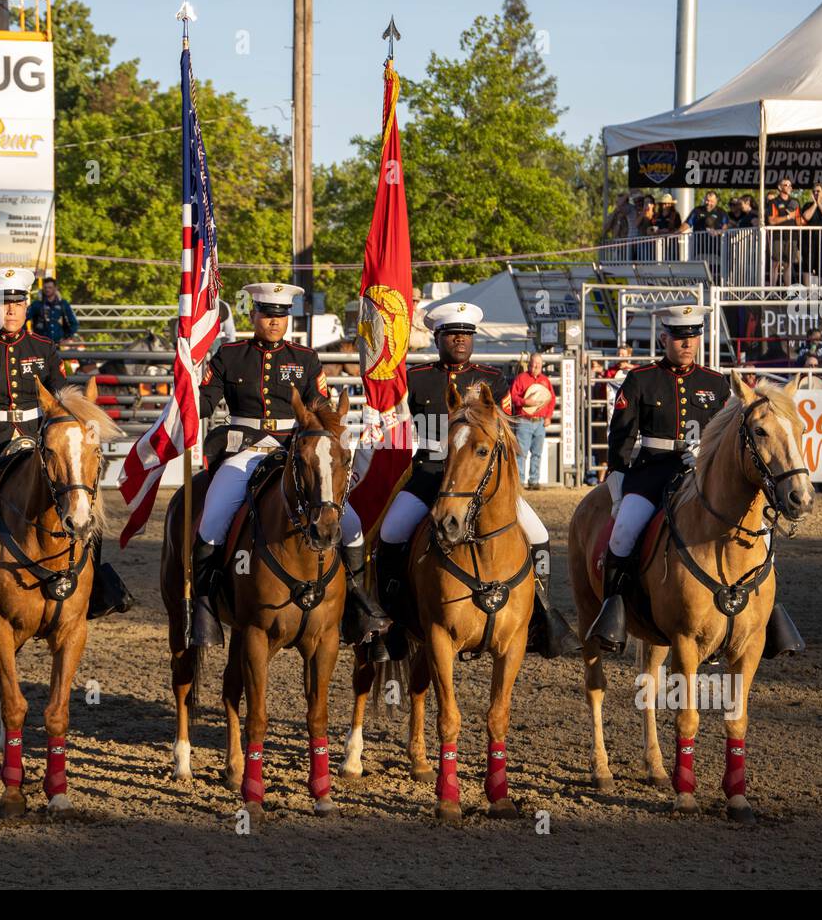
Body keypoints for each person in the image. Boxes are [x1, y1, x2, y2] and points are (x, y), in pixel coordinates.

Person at [0, 267, 132, 620]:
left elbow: (62, 401)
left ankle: (96, 586)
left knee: (84, 508)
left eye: (17, 303)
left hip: (35, 449)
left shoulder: (43, 348)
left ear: (26, 306)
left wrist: (81, 425)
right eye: (3, 303)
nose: (11, 310)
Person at [585, 307, 804, 658]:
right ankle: (614, 612)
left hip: (701, 475)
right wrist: (619, 478)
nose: (686, 343)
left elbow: (731, 433)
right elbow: (620, 439)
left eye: (692, 336)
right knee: (623, 533)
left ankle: (770, 614)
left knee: (760, 534)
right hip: (651, 474)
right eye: (678, 336)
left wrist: (703, 454)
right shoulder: (641, 379)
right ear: (664, 339)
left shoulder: (716, 383)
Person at [189, 282, 388, 651]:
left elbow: (322, 410)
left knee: (354, 527)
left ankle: (358, 605)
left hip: (296, 453)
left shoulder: (306, 358)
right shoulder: (229, 356)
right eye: (266, 314)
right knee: (213, 521)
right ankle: (203, 606)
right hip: (244, 452)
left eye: (281, 315)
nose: (274, 322)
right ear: (253, 316)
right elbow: (203, 403)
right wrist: (185, 388)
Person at [375, 301, 570, 661]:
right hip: (431, 473)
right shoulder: (416, 379)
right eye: (452, 335)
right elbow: (393, 423)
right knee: (391, 534)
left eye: (466, 335)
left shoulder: (493, 381)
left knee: (539, 535)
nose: (460, 341)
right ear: (437, 339)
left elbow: (505, 437)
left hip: (484, 481)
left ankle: (542, 617)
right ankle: (396, 622)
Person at [510, 351, 555, 490]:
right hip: (524, 419)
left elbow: (551, 399)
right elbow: (512, 396)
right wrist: (525, 401)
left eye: (538, 364)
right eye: (534, 363)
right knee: (521, 453)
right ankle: (520, 481)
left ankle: (533, 480)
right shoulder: (521, 378)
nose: (536, 366)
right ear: (529, 364)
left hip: (540, 421)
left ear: (542, 365)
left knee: (537, 453)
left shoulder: (545, 381)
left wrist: (548, 416)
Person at [764, 179, 800, 286]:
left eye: (790, 185)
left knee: (788, 264)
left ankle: (788, 291)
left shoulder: (795, 202)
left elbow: (799, 220)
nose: (789, 187)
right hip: (777, 236)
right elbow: (771, 220)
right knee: (775, 264)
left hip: (792, 236)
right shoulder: (773, 202)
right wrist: (788, 216)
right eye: (786, 185)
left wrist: (799, 220)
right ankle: (772, 291)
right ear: (780, 187)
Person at [28, 277, 79, 345]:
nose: (47, 290)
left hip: (57, 344)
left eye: (50, 287)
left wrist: (67, 337)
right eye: (45, 287)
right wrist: (26, 335)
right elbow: (23, 319)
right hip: (40, 344)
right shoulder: (36, 304)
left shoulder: (63, 304)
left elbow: (74, 323)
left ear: (55, 288)